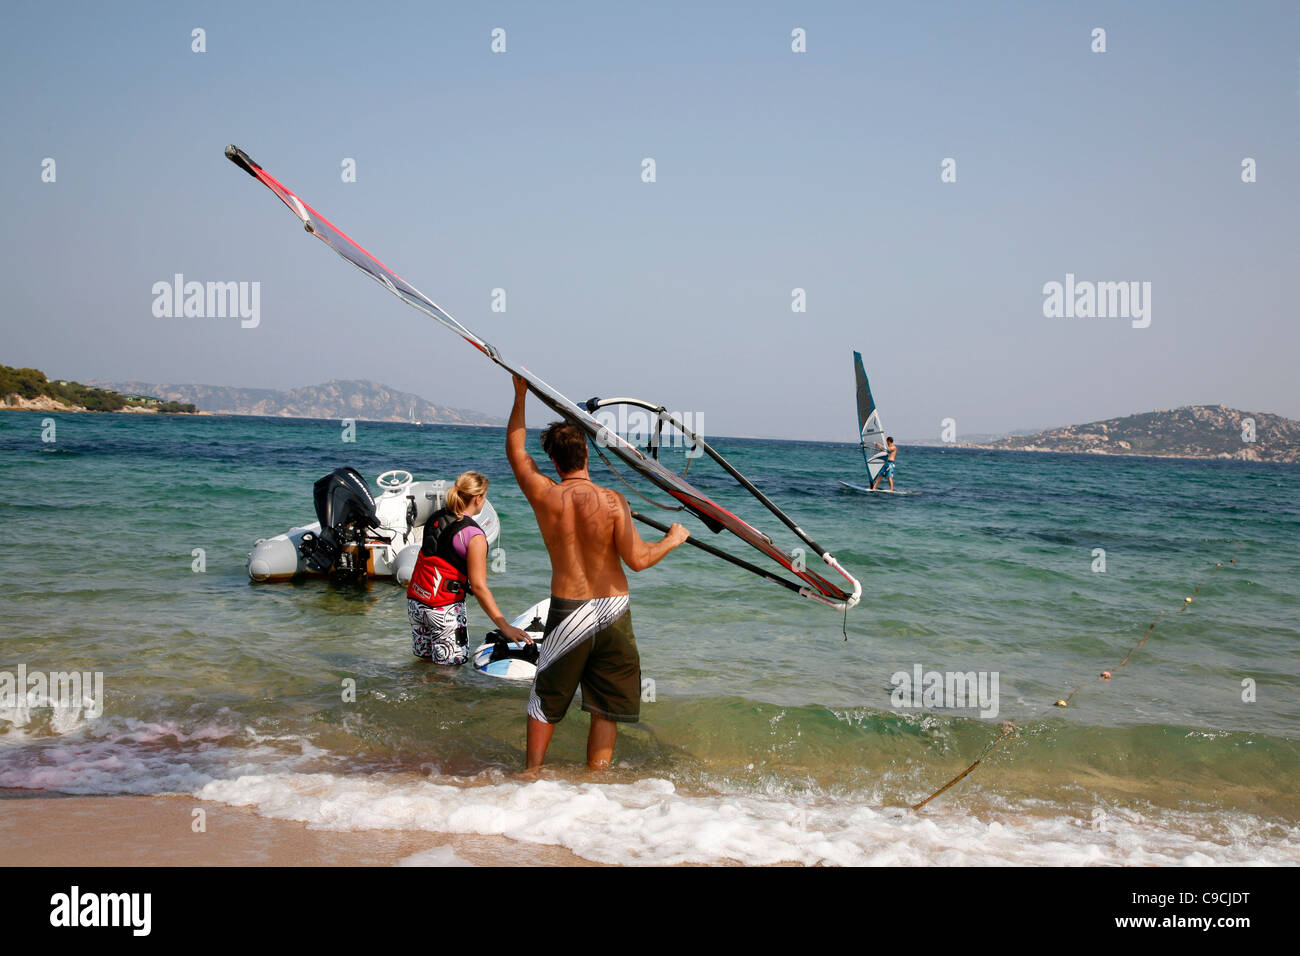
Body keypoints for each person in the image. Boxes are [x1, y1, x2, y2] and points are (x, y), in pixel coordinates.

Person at [506, 375, 689, 771]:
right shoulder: (613, 501)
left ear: (554, 462)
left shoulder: (545, 495)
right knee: (605, 706)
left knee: (545, 700)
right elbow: (638, 560)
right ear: (587, 456)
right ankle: (596, 782)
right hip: (613, 611)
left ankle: (531, 774)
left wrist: (519, 396)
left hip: (570, 609)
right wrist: (673, 539)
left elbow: (516, 451)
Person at [406, 471, 531, 664]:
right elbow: (479, 587)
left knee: (425, 665)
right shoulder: (473, 536)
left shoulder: (435, 518)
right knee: (448, 675)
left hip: (417, 602)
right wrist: (505, 626)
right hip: (443, 611)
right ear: (478, 498)